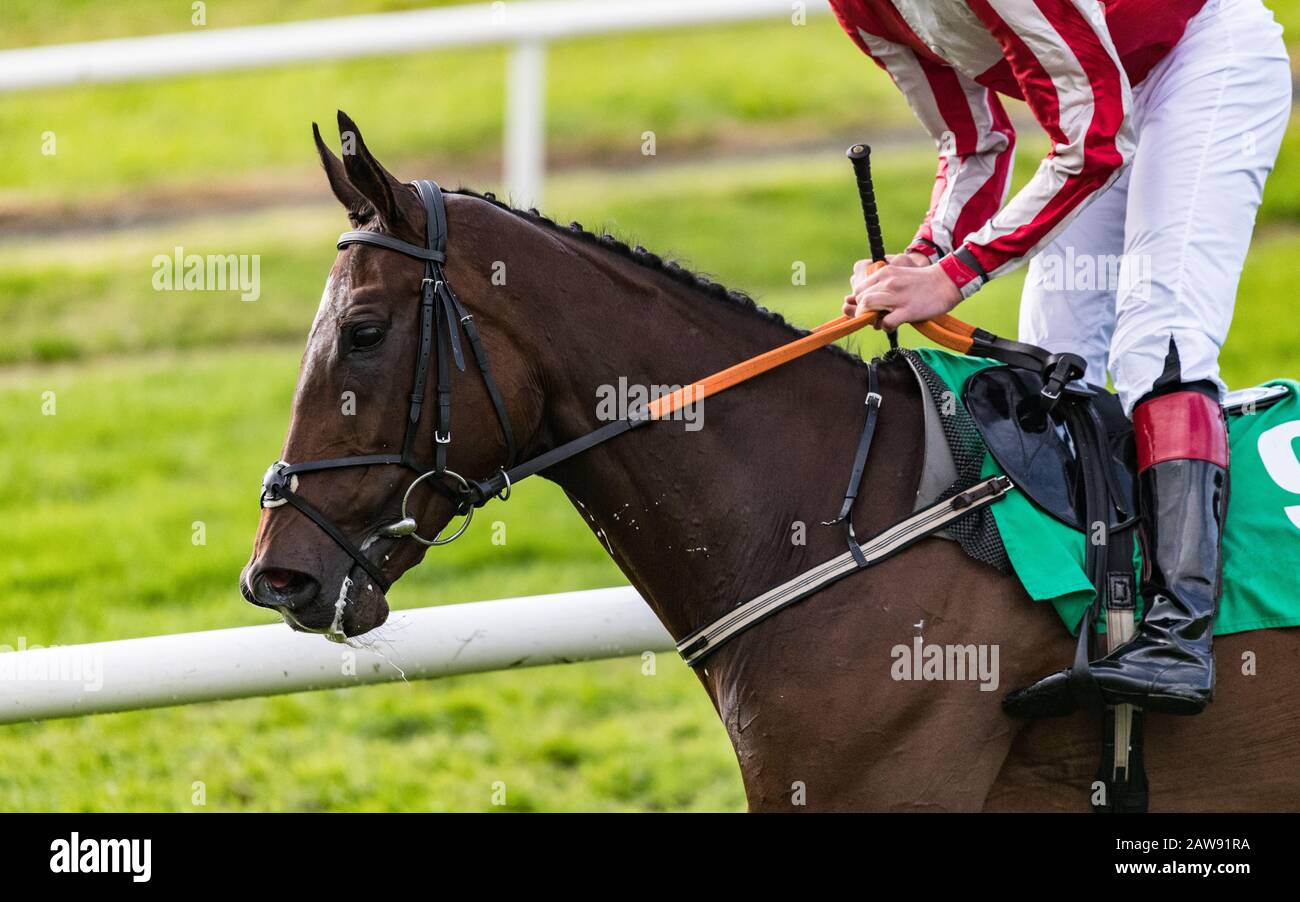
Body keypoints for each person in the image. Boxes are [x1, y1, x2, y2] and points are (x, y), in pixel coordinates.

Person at [831, 0, 1292, 715]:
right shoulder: (857, 9)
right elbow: (973, 143)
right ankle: (1090, 623)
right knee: (1049, 365)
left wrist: (949, 277)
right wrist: (918, 258)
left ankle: (1180, 639)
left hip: (1204, 61)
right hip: (1096, 108)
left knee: (1158, 339)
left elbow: (1090, 144)